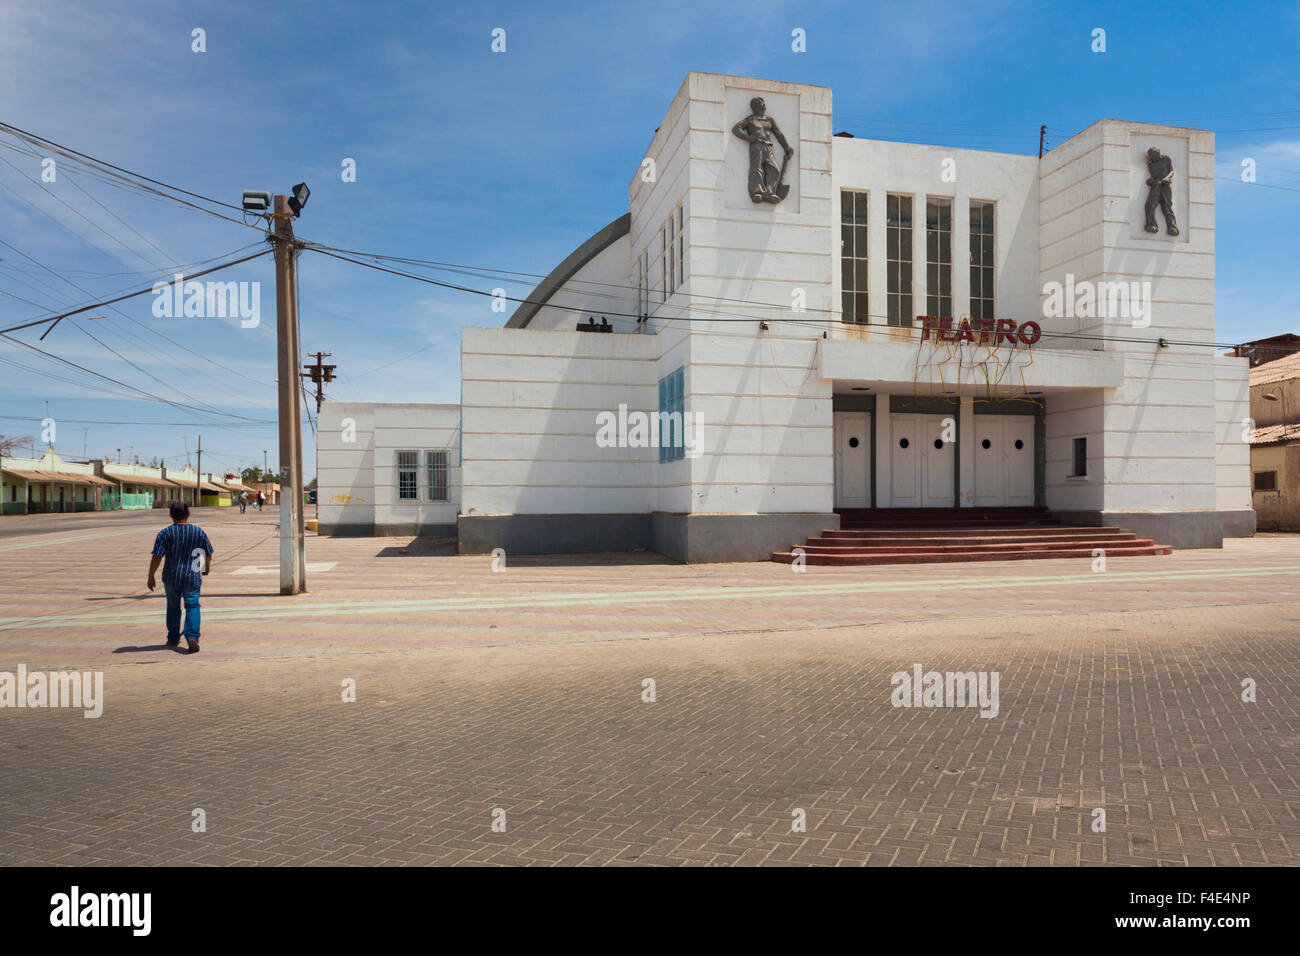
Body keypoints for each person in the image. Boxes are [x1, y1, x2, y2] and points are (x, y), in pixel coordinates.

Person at [147, 500, 213, 654]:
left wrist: (151, 575)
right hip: (192, 576)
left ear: (171, 515)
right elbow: (208, 552)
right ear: (188, 514)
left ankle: (173, 637)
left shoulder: (165, 533)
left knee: (173, 606)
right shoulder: (198, 532)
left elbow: (157, 556)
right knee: (193, 606)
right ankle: (193, 637)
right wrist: (206, 568)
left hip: (171, 577)